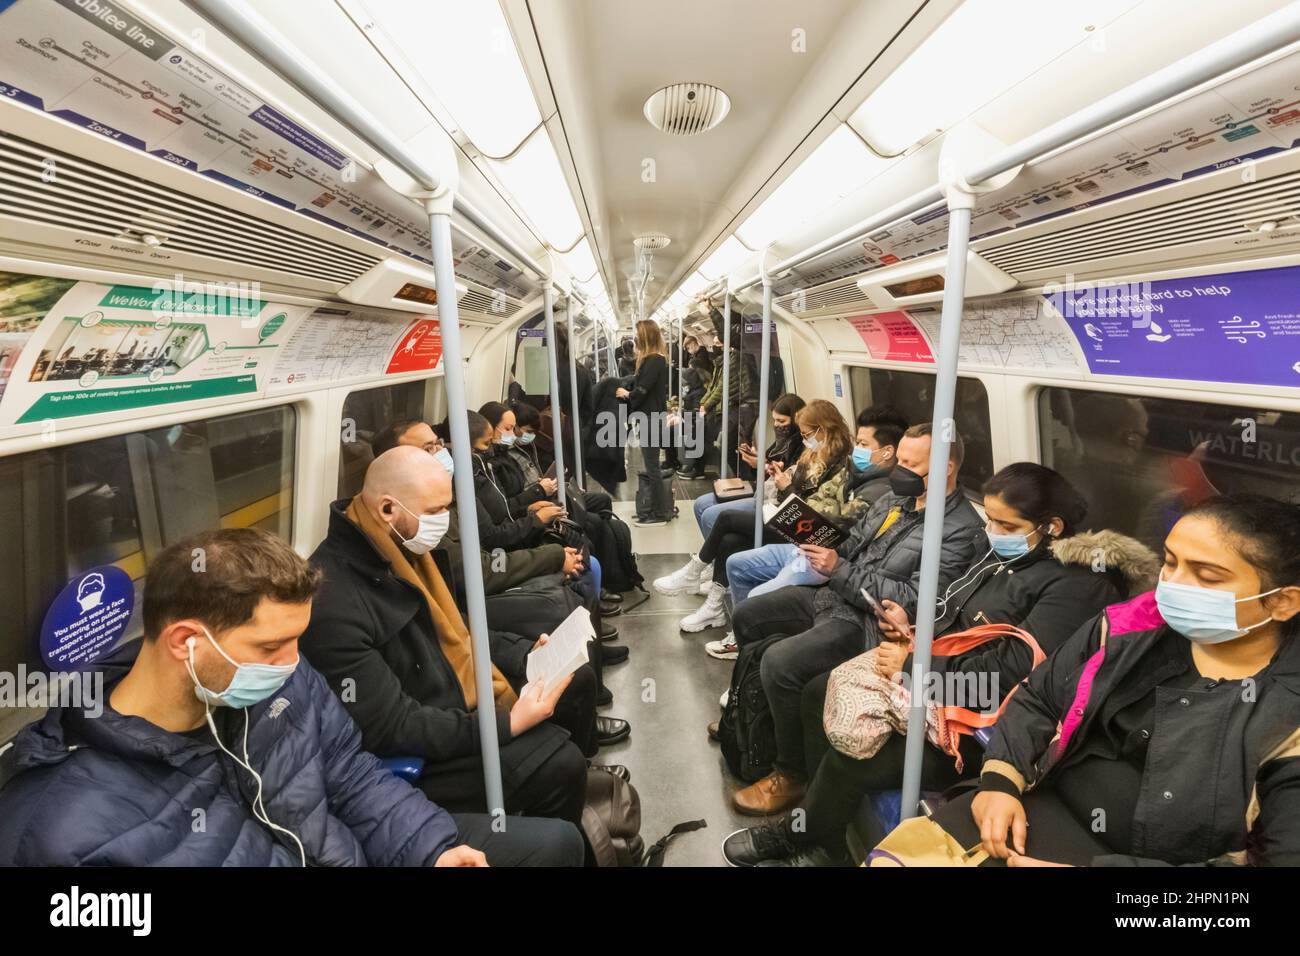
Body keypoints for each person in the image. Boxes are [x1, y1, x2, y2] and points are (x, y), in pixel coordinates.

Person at [0, 528, 582, 866]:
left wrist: (427, 848)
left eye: (297, 641)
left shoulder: (278, 683)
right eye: (272, 645)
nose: (295, 662)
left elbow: (350, 774)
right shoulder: (63, 830)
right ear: (185, 641)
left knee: (557, 844)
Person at [724, 463, 1160, 866]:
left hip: (987, 722)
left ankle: (804, 837)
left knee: (851, 763)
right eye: (989, 519)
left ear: (1052, 527)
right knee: (817, 691)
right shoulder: (1005, 556)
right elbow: (955, 615)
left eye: (1006, 525)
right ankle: (820, 822)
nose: (991, 531)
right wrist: (908, 626)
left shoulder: (1079, 587)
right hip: (942, 672)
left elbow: (1007, 677)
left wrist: (911, 666)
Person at [911, 494, 1300, 867]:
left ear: (1282, 602)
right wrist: (1000, 778)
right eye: (1170, 563)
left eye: (1208, 577)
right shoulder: (1128, 628)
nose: (1173, 585)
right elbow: (1040, 695)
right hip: (1026, 806)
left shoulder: (1285, 720)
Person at [301, 446, 590, 825]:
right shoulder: (334, 601)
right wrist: (505, 724)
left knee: (573, 676)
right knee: (561, 764)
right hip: (418, 751)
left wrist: (523, 654)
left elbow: (461, 631)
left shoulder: (411, 551)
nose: (443, 521)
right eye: (435, 511)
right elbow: (392, 726)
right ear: (388, 509)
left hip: (450, 694)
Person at [723, 423, 983, 815]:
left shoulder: (960, 530)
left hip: (865, 622)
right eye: (901, 460)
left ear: (946, 467)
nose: (901, 470)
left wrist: (839, 569)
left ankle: (791, 775)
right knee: (749, 615)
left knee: (781, 661)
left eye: (913, 464)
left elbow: (915, 600)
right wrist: (817, 539)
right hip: (834, 596)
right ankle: (755, 714)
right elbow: (854, 544)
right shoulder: (895, 500)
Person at [702, 405, 909, 660]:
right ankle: (741, 635)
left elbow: (833, 518)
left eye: (864, 444)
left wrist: (790, 491)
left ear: (887, 452)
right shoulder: (851, 470)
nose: (858, 449)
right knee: (735, 560)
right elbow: (820, 501)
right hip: (802, 538)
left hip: (822, 551)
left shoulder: (880, 490)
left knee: (735, 543)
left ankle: (752, 650)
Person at [664, 400, 852, 634]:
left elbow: (813, 509)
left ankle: (694, 571)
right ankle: (715, 607)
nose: (804, 438)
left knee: (726, 519)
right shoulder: (814, 453)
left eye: (807, 433)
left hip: (800, 528)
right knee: (729, 540)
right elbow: (800, 487)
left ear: (822, 430)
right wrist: (778, 474)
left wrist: (786, 487)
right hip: (784, 514)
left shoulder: (839, 464)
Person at [677, 394, 807, 574]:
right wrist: (757, 461)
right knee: (701, 504)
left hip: (772, 500)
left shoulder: (802, 446)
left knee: (711, 515)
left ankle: (713, 567)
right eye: (774, 420)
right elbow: (770, 468)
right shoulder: (781, 443)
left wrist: (763, 465)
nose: (776, 425)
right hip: (762, 489)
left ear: (796, 420)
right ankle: (714, 563)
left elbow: (785, 480)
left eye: (781, 421)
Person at [617, 319, 673, 526]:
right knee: (652, 466)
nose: (635, 338)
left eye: (637, 334)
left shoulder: (653, 360)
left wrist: (626, 394)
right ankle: (655, 508)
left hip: (651, 418)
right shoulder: (653, 359)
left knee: (652, 468)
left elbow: (642, 391)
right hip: (650, 417)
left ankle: (659, 513)